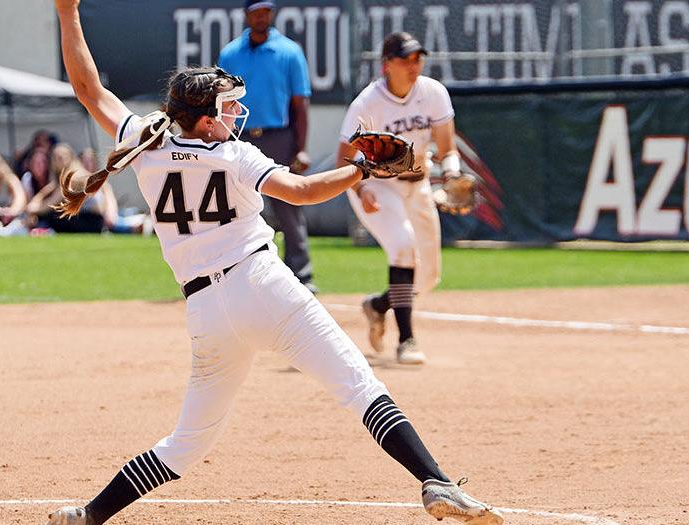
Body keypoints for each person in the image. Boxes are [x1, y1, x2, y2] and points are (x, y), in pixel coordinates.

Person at [45, 3, 503, 525]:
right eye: (228, 107)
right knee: (360, 386)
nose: (238, 114)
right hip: (263, 286)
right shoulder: (236, 156)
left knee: (186, 444)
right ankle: (435, 482)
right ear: (204, 117)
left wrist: (67, 13)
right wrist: (360, 169)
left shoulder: (145, 141)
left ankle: (88, 515)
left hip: (206, 312)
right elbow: (305, 192)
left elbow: (88, 89)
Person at [334, 32, 461, 366]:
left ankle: (378, 306)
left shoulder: (432, 93)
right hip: (379, 186)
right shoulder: (367, 104)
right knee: (403, 246)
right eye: (405, 59)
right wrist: (361, 190)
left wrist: (451, 173)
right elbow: (342, 159)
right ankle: (406, 339)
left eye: (417, 58)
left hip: (419, 184)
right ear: (386, 65)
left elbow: (447, 147)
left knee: (428, 276)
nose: (413, 65)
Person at [218, 0, 316, 292]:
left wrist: (301, 147)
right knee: (236, 206)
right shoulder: (230, 53)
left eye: (266, 12)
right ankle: (236, 274)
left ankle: (302, 276)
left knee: (288, 204)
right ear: (246, 15)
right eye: (256, 12)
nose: (262, 17)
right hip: (239, 135)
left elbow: (300, 103)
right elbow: (219, 100)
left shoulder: (289, 52)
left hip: (279, 136)